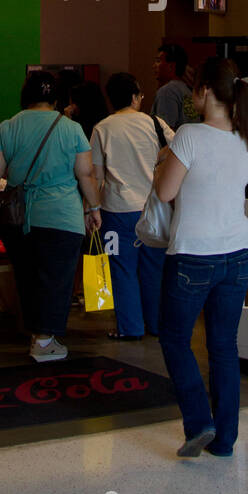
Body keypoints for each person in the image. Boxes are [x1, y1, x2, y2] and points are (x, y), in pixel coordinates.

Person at [154, 58, 248, 459]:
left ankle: (200, 422)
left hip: (194, 256)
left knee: (176, 339)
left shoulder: (189, 135)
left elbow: (165, 193)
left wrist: (161, 165)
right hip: (239, 254)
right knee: (223, 347)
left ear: (203, 93)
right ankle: (225, 441)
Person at [0, 70, 101, 362]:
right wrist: (93, 208)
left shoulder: (7, 127)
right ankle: (44, 342)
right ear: (56, 98)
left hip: (19, 219)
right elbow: (86, 174)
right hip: (62, 215)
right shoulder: (71, 129)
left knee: (28, 276)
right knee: (56, 278)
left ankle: (37, 333)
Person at [90, 72, 173, 340]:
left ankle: (130, 328)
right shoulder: (155, 123)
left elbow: (97, 176)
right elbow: (179, 149)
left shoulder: (102, 128)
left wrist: (91, 209)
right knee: (153, 270)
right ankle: (157, 323)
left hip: (116, 211)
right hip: (154, 209)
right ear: (136, 97)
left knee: (121, 269)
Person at [151, 43, 191, 130]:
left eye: (158, 61)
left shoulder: (167, 92)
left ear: (171, 66)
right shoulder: (186, 89)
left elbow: (165, 130)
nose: (154, 66)